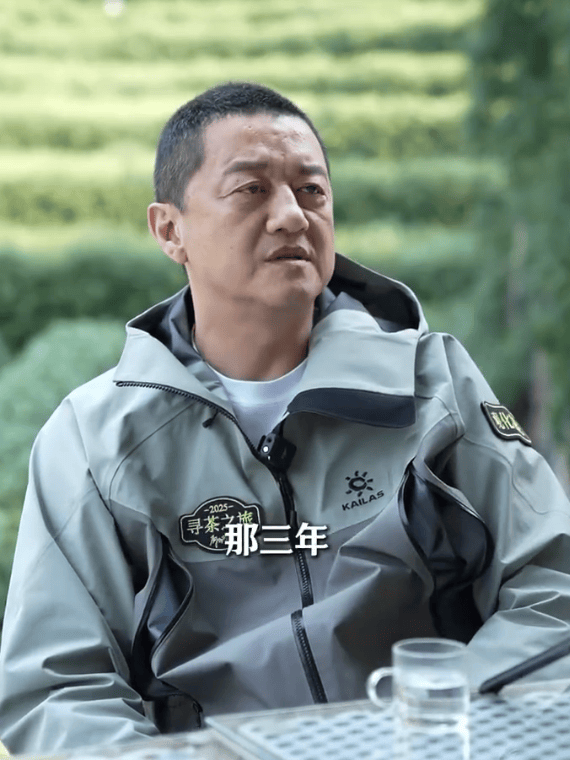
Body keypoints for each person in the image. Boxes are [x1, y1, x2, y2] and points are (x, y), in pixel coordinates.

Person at [2, 81, 570, 754]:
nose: (292, 216)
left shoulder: (431, 384)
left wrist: (437, 716)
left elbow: (552, 585)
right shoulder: (94, 441)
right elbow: (57, 689)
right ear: (170, 229)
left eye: (312, 191)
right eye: (251, 189)